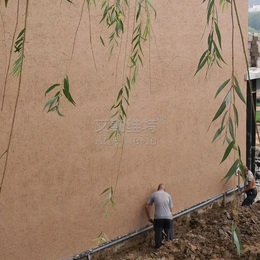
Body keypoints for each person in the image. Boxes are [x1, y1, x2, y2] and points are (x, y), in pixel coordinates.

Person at [145, 183, 174, 248]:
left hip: (158, 218)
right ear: (164, 189)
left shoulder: (154, 194)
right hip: (168, 217)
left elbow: (146, 206)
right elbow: (171, 209)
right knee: (169, 233)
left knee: (158, 233)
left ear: (157, 189)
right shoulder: (168, 195)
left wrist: (149, 217)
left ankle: (158, 247)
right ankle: (170, 247)